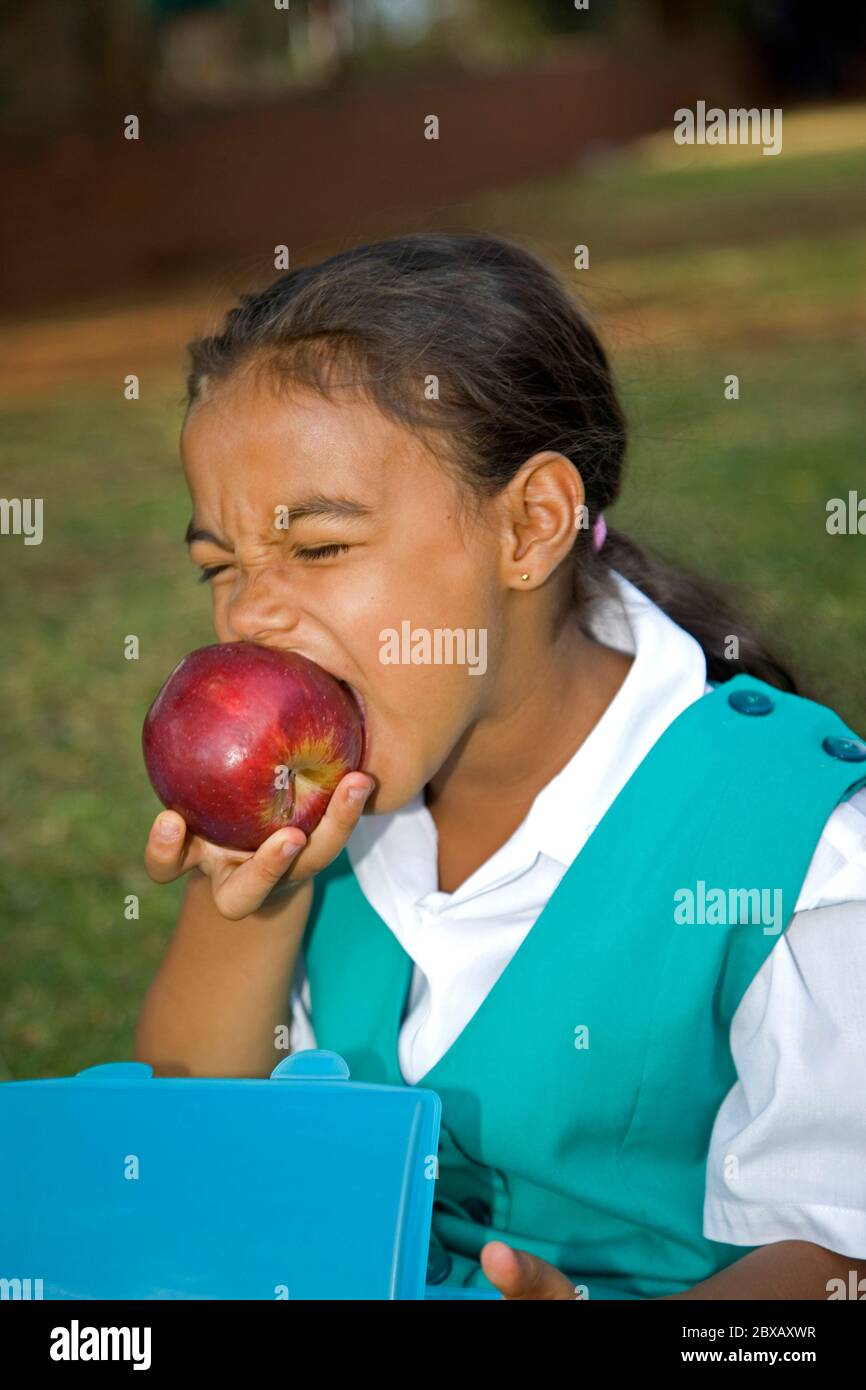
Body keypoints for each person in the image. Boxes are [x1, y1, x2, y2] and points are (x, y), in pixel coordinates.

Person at [135, 232, 866, 1300]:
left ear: (529, 526)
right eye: (221, 566)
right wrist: (250, 906)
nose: (250, 615)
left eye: (321, 548)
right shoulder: (333, 813)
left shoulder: (792, 844)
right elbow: (183, 1144)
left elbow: (840, 1252)